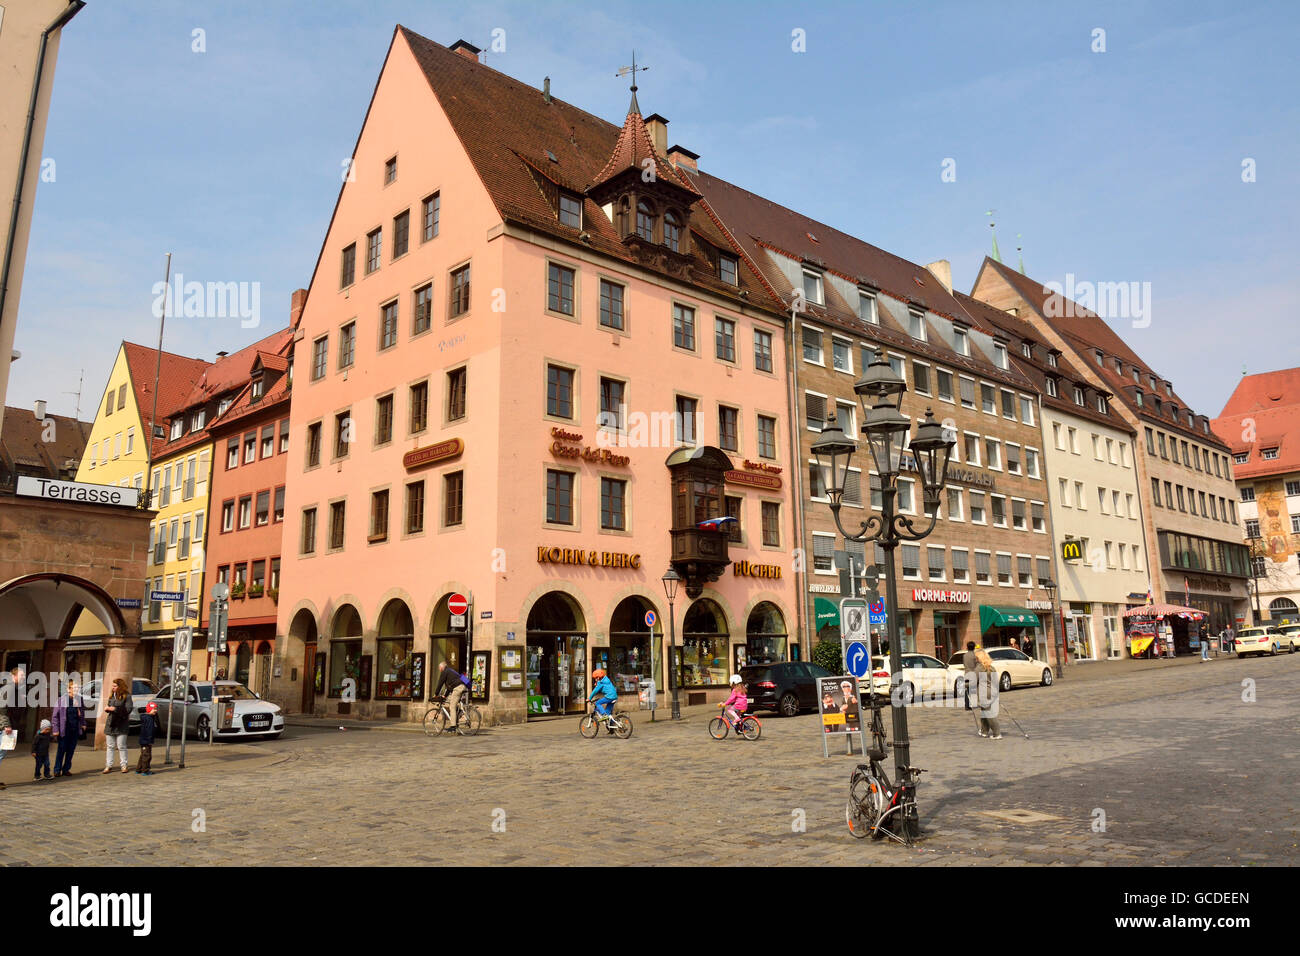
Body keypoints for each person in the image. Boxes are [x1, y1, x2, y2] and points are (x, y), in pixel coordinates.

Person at [51, 681, 86, 777]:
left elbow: (82, 713)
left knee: (71, 750)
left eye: (77, 688)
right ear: (68, 689)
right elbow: (55, 716)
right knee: (61, 750)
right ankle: (57, 770)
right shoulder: (61, 700)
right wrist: (55, 729)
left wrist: (83, 723)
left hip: (74, 729)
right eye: (74, 688)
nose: (76, 690)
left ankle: (66, 769)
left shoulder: (79, 699)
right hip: (64, 729)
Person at [102, 678, 132, 774]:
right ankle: (108, 765)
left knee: (121, 746)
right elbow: (109, 706)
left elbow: (128, 709)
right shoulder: (112, 696)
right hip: (111, 723)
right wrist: (107, 709)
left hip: (121, 724)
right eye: (113, 686)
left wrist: (114, 709)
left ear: (120, 687)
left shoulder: (127, 696)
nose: (113, 687)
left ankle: (124, 765)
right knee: (110, 746)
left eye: (115, 686)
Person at [973, 646, 1001, 739]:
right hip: (993, 692)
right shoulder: (991, 667)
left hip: (984, 693)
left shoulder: (979, 668)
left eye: (976, 658)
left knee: (988, 713)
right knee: (984, 712)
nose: (975, 659)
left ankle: (997, 733)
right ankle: (984, 731)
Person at [588, 668, 618, 732]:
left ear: (598, 677)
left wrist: (589, 698)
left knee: (598, 703)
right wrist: (597, 684)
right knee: (608, 714)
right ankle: (612, 729)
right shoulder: (606, 680)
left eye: (596, 678)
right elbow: (604, 688)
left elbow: (595, 691)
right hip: (614, 696)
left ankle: (603, 715)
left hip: (609, 697)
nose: (595, 679)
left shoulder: (601, 683)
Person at [961, 641, 980, 731]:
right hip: (973, 673)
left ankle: (967, 705)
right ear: (973, 647)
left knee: (967, 690)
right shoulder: (975, 655)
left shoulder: (964, 655)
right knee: (974, 689)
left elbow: (964, 664)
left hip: (966, 673)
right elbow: (977, 665)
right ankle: (973, 703)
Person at [136, 701, 158, 775]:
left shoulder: (149, 718)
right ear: (149, 710)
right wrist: (149, 740)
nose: (155, 710)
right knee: (147, 756)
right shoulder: (149, 719)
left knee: (143, 755)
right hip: (146, 740)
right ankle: (145, 770)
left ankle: (139, 769)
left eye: (156, 709)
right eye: (153, 709)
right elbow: (149, 730)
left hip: (144, 740)